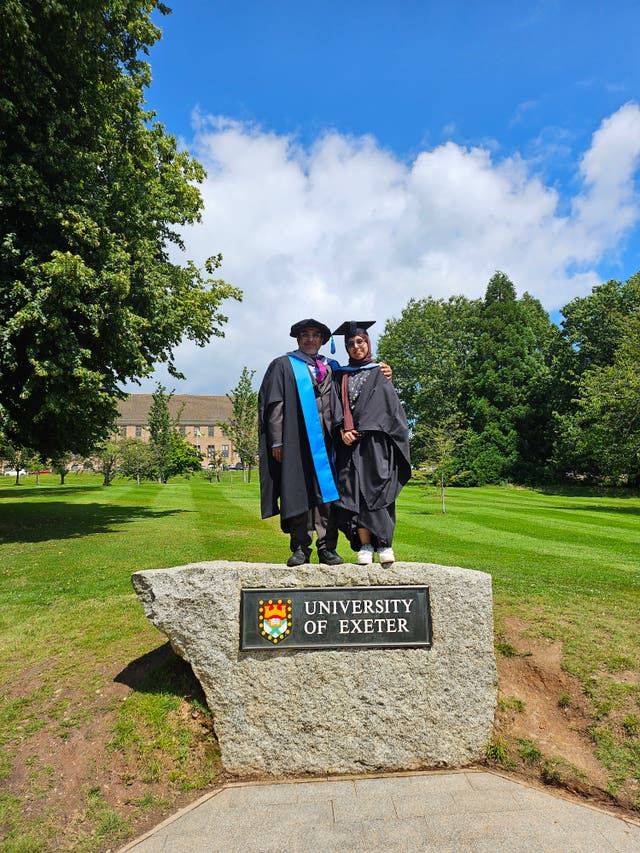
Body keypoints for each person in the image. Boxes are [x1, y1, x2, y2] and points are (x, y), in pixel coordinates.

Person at [258, 319, 344, 567]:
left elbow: (355, 383)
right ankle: (300, 548)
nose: (310, 339)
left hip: (329, 443)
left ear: (322, 340)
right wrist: (277, 441)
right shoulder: (284, 365)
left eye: (315, 335)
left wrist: (383, 369)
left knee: (328, 496)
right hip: (296, 443)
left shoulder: (332, 367)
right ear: (297, 338)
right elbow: (275, 404)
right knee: (298, 494)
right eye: (305, 335)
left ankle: (328, 548)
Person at [331, 321, 411, 567]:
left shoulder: (381, 372)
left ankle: (384, 543)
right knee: (354, 496)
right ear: (346, 348)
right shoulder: (340, 375)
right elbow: (333, 407)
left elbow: (391, 411)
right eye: (351, 344)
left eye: (360, 342)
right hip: (349, 445)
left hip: (376, 446)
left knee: (378, 491)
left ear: (368, 342)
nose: (356, 347)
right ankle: (365, 544)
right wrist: (341, 430)